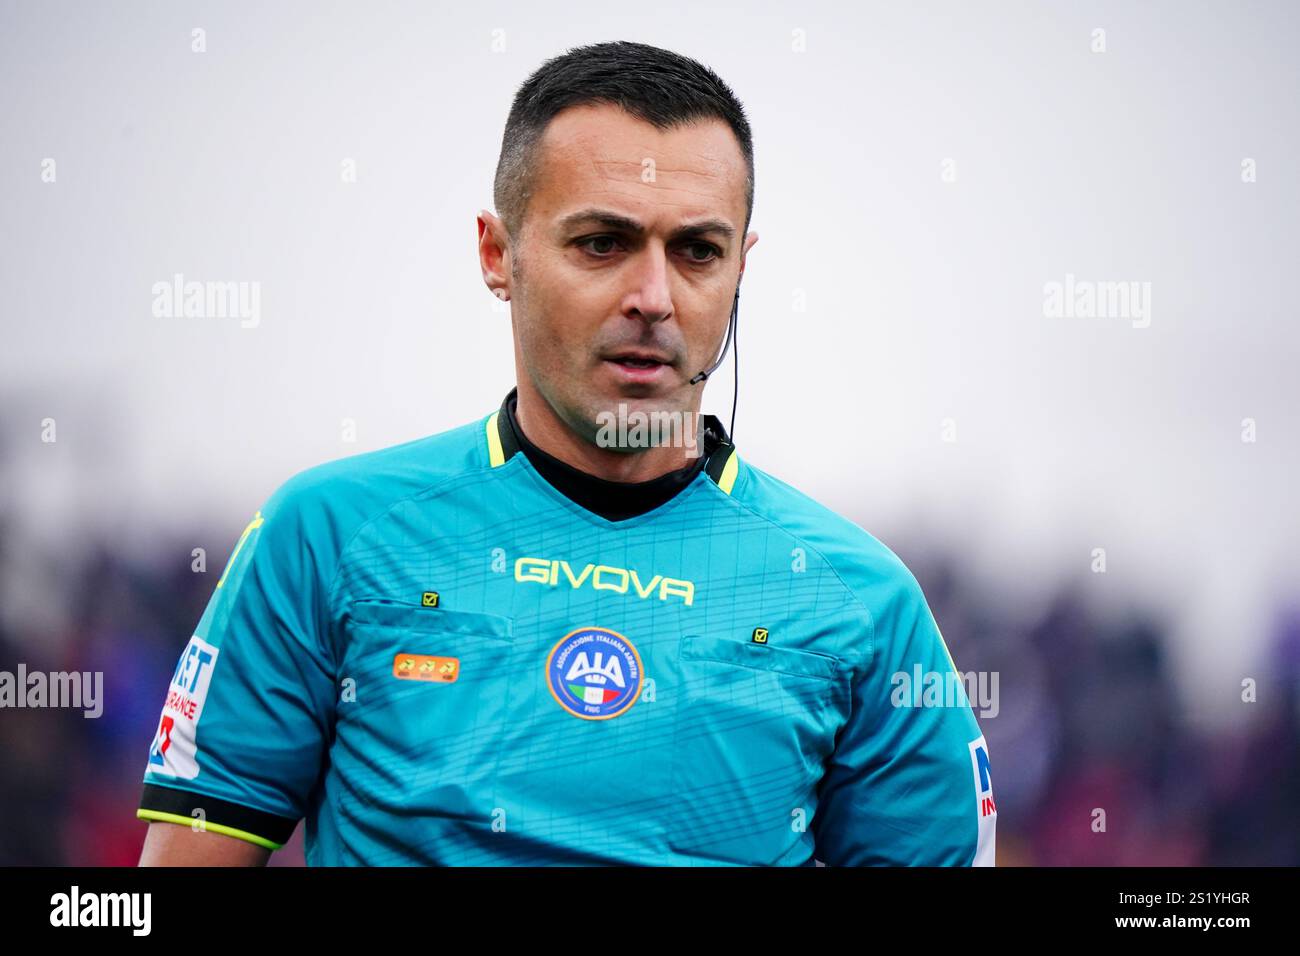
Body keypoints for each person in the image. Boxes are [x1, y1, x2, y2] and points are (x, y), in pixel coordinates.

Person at [137, 39, 995, 866]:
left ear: (742, 267)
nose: (653, 298)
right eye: (603, 243)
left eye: (697, 250)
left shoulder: (863, 600)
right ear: (497, 253)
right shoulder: (323, 535)